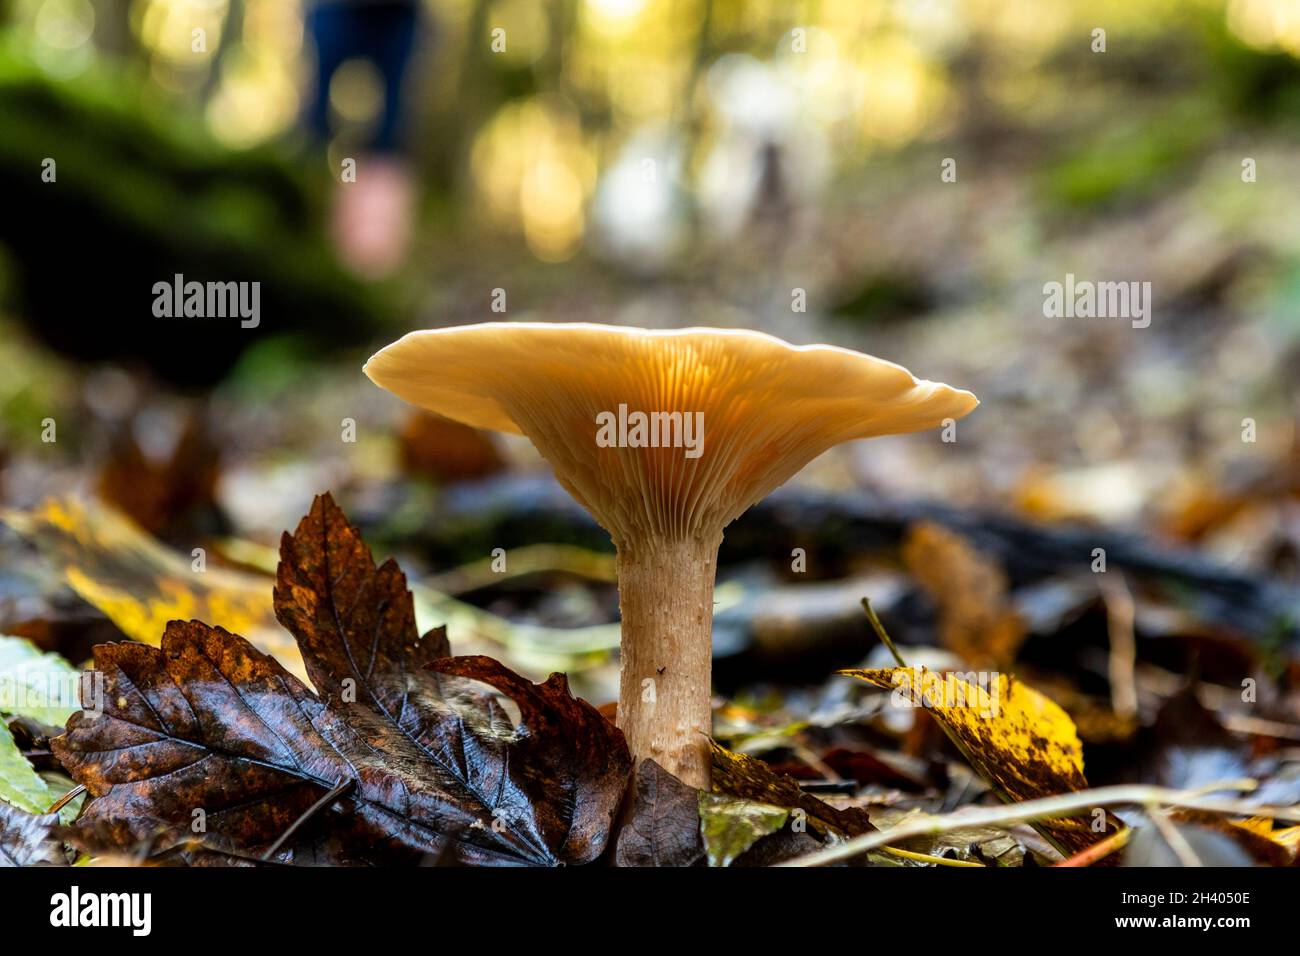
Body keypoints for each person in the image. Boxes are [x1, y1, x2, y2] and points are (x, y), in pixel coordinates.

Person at [304, 0, 425, 278]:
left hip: (398, 12)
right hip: (334, 9)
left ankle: (375, 254)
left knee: (391, 129)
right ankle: (308, 225)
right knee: (315, 126)